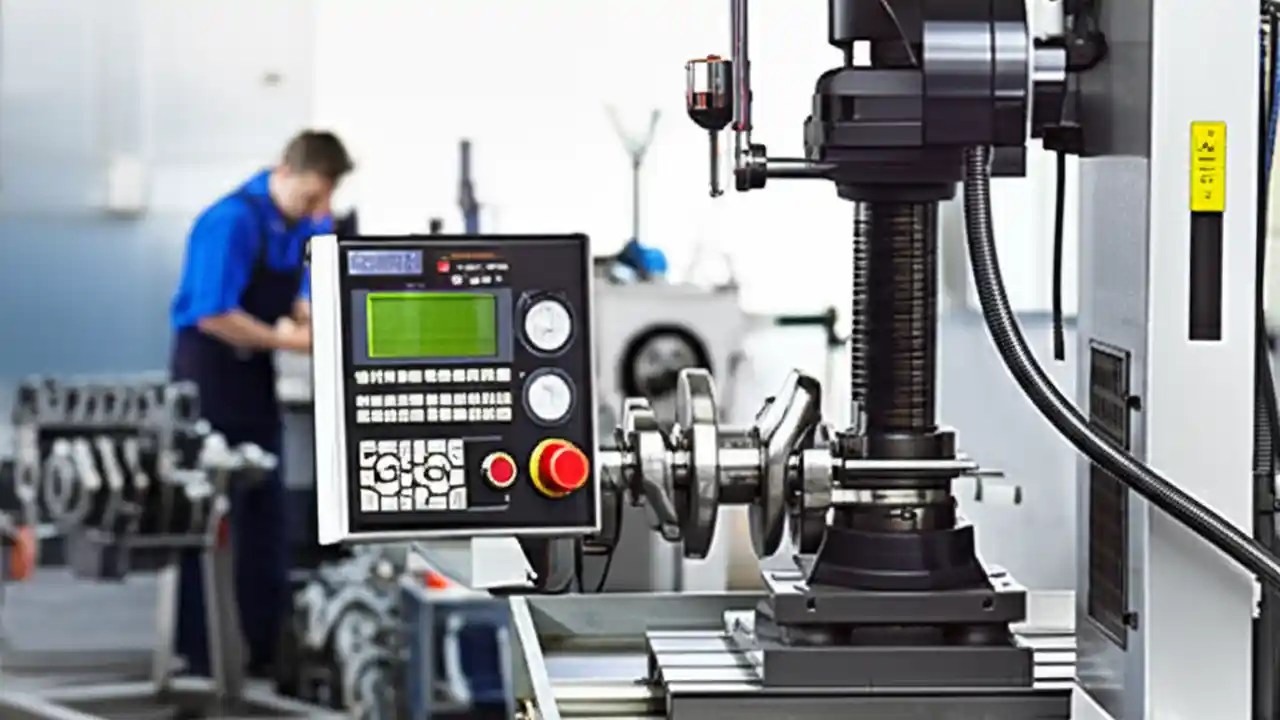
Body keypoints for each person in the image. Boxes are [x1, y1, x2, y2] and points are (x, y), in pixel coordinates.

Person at [169, 130, 353, 676]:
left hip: (253, 381)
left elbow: (296, 286)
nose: (321, 210)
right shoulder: (228, 222)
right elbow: (214, 314)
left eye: (326, 199)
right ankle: (201, 659)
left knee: (265, 517)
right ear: (285, 171)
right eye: (312, 197)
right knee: (211, 518)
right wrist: (290, 342)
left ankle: (266, 656)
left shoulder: (304, 221)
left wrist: (303, 312)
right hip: (208, 375)